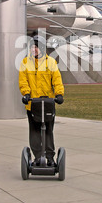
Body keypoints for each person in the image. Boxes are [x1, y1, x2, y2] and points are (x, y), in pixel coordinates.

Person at [19, 34, 64, 166]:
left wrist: (59, 94)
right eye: (32, 47)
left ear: (43, 48)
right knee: (34, 131)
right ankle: (38, 156)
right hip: (32, 104)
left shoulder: (51, 62)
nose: (34, 49)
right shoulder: (25, 62)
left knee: (48, 130)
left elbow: (57, 79)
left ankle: (50, 157)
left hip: (48, 103)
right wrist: (26, 94)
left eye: (37, 47)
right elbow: (23, 81)